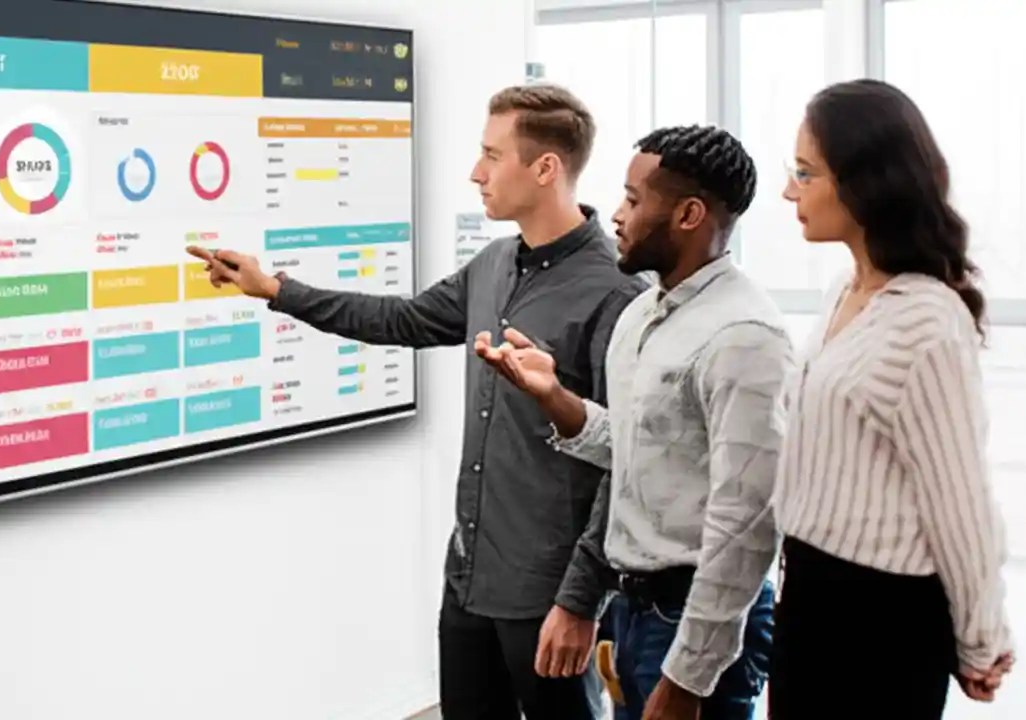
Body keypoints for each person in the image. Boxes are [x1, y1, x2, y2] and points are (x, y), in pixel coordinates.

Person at [187, 84, 647, 719]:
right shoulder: (492, 264)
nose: (475, 172)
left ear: (545, 169)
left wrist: (578, 602)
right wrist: (273, 288)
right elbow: (400, 319)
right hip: (469, 576)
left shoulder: (618, 290)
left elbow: (624, 462)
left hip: (548, 595)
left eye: (492, 155)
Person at [476, 124, 793, 720]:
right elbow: (632, 448)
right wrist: (553, 396)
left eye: (633, 198)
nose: (616, 214)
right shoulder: (644, 314)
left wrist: (690, 675)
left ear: (689, 214)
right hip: (632, 611)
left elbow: (747, 526)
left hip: (692, 618)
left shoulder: (745, 336)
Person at [772, 78, 1015, 718]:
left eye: (805, 173)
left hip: (880, 621)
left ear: (865, 182)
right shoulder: (842, 295)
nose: (789, 191)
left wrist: (982, 640)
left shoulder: (926, 324)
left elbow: (959, 504)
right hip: (809, 597)